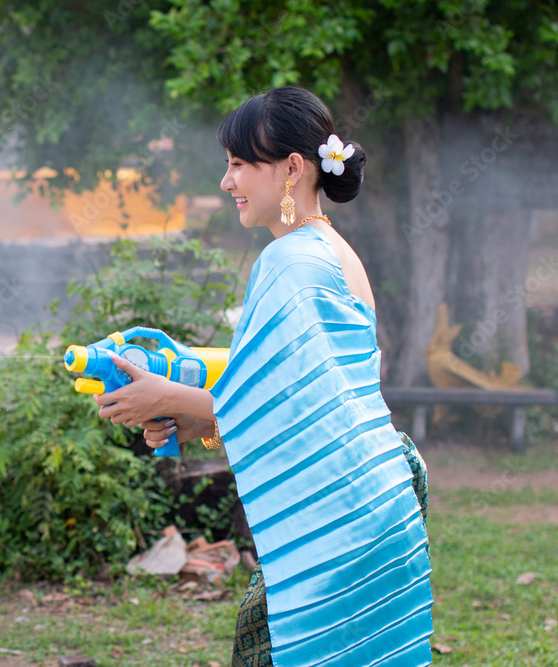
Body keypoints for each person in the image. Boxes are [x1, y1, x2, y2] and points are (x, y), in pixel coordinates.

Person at [93, 87, 433, 666]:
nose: (226, 182)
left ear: (293, 169)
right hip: (377, 498)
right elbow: (285, 396)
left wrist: (165, 394)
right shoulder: (332, 252)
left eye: (239, 164)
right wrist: (177, 406)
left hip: (338, 516)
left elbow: (280, 407)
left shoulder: (289, 261)